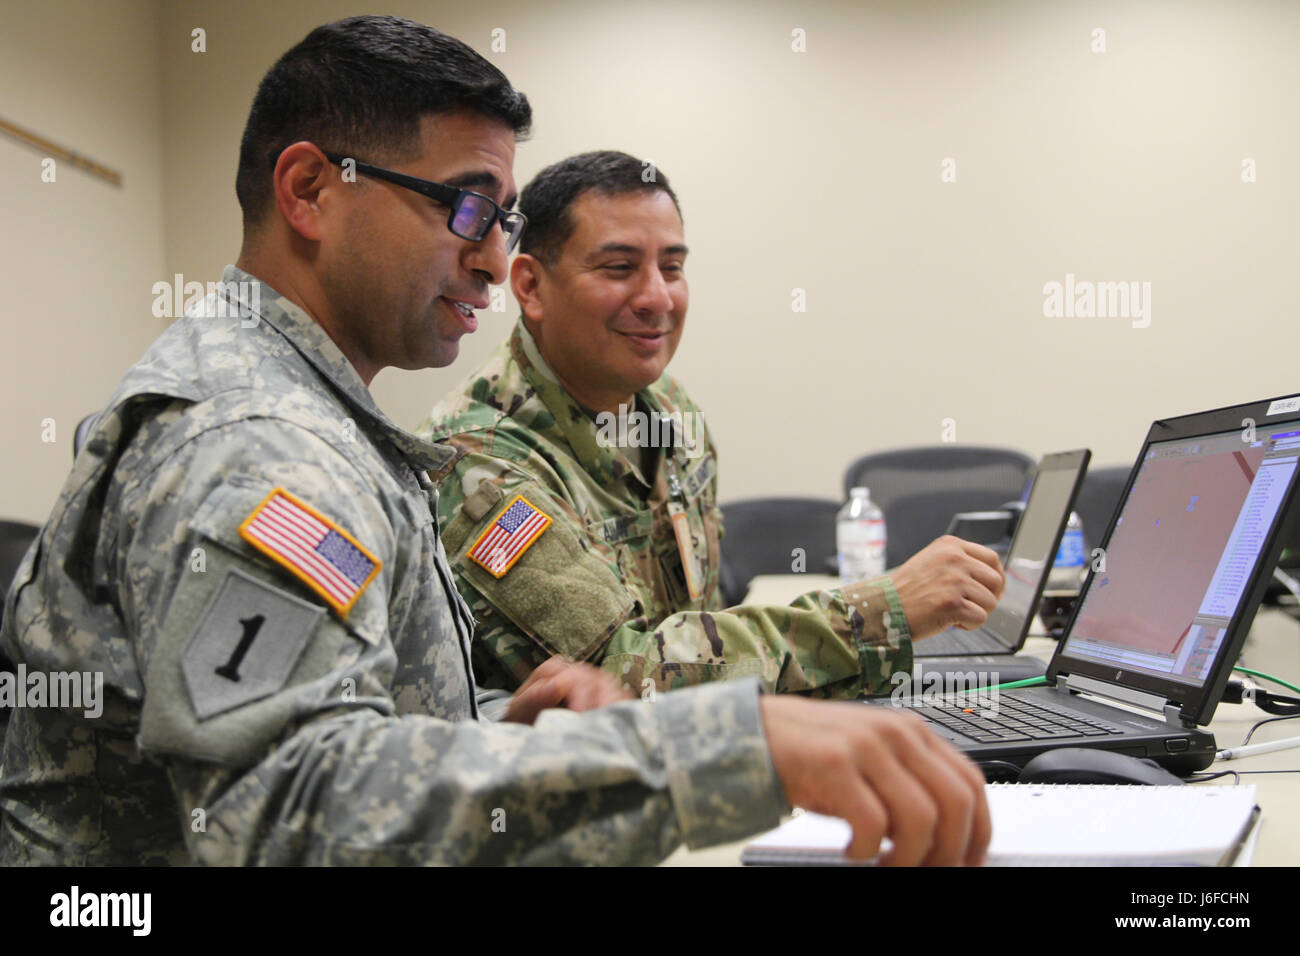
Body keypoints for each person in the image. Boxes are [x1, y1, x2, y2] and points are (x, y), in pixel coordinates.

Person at [0, 17, 989, 867]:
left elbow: (326, 731)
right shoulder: (255, 444)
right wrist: (718, 749)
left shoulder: (321, 418)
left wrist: (482, 726)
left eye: (503, 216)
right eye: (466, 207)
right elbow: (284, 809)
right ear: (309, 190)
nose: (490, 255)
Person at [419, 151, 1006, 699]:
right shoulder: (478, 462)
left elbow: (707, 637)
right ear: (530, 286)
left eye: (671, 268)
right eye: (620, 268)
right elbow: (621, 680)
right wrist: (878, 612)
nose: (656, 297)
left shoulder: (670, 410)